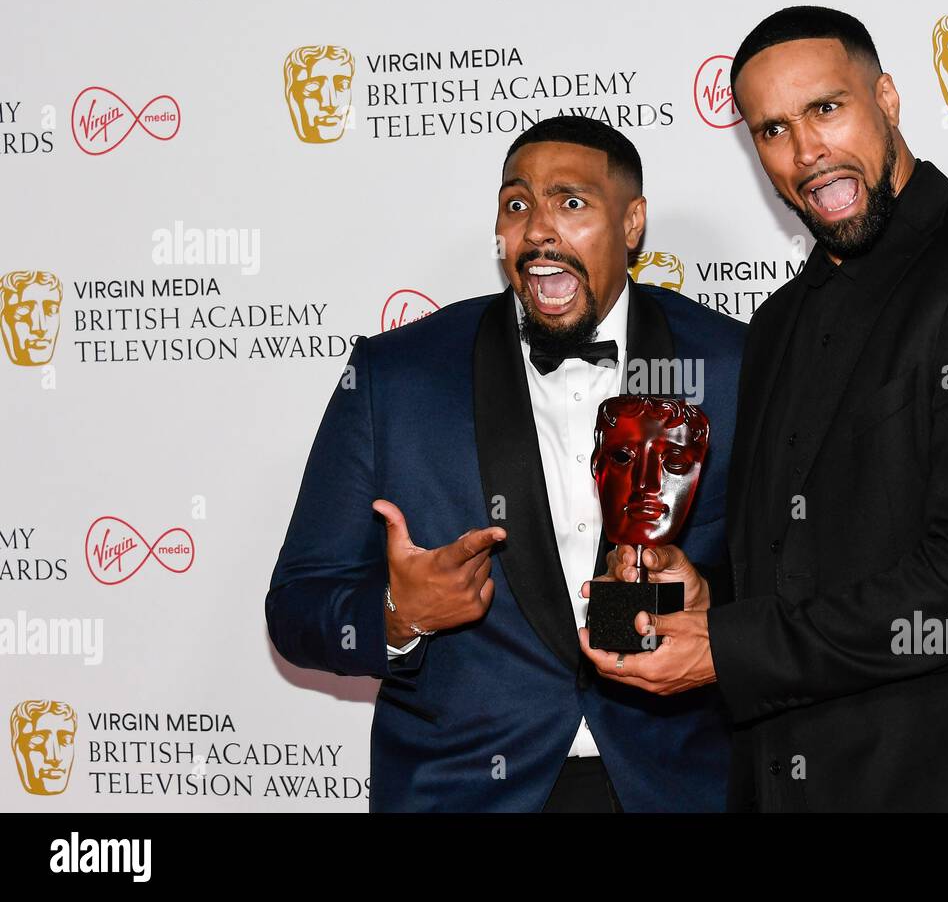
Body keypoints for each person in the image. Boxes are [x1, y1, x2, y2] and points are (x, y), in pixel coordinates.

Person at [580, 6, 948, 812]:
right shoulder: (777, 324)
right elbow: (810, 556)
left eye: (826, 109)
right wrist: (709, 599)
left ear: (887, 99)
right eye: (772, 130)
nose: (806, 151)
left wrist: (730, 648)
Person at [266, 115, 743, 811]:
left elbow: (802, 593)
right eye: (517, 204)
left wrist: (709, 603)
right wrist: (400, 612)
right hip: (465, 791)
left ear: (632, 222)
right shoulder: (396, 377)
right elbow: (297, 606)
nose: (539, 230)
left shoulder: (732, 365)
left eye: (571, 202)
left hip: (675, 787)